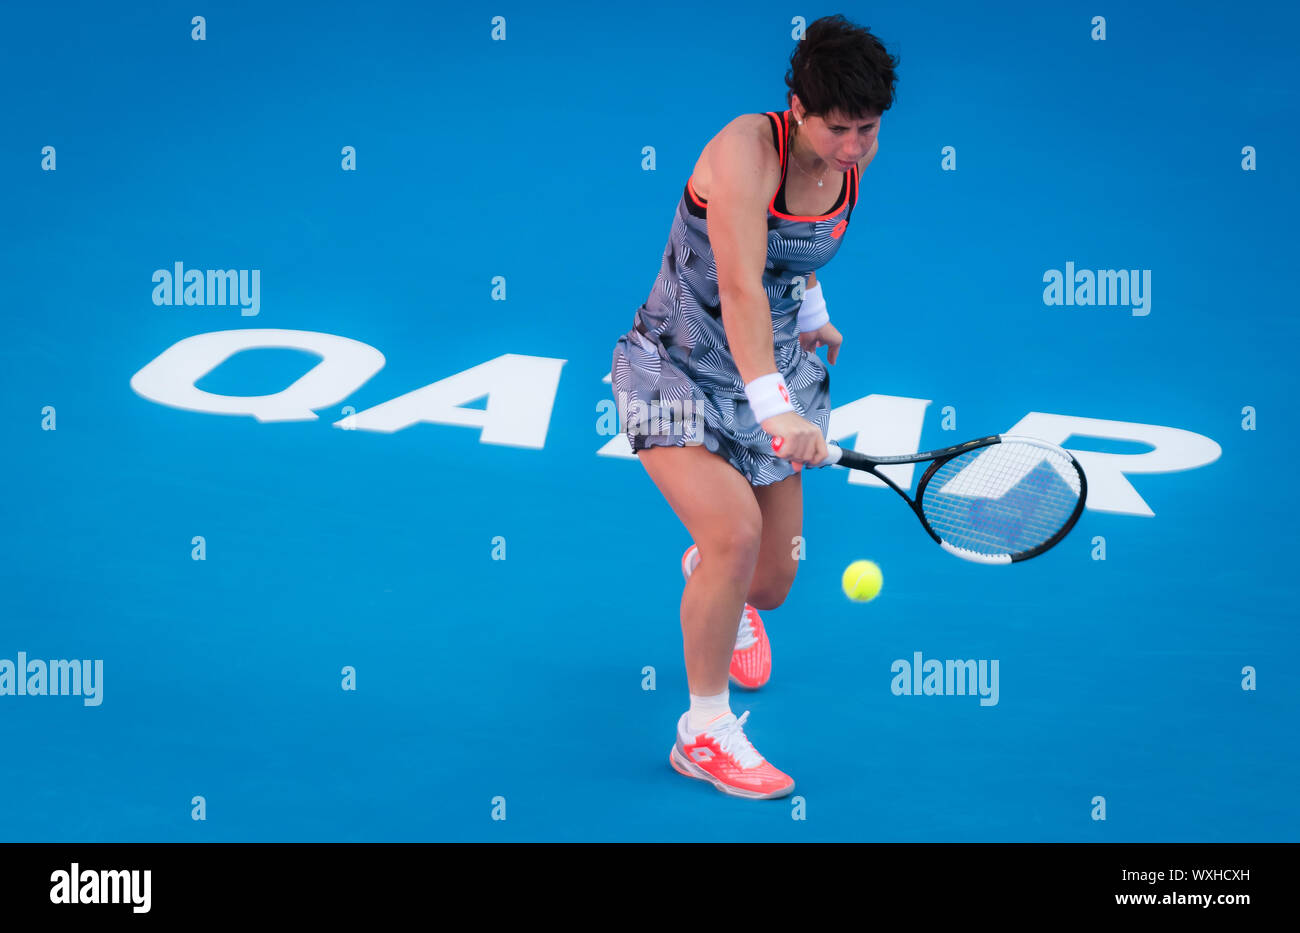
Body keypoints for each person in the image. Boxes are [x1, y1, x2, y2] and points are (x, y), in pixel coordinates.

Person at [609, 15, 898, 799]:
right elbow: (737, 283)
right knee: (734, 529)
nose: (854, 147)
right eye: (839, 128)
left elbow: (791, 254)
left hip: (773, 378)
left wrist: (810, 315)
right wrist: (776, 410)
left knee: (768, 583)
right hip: (673, 370)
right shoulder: (744, 149)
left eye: (869, 130)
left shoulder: (850, 162)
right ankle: (703, 731)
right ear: (796, 108)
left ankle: (713, 574)